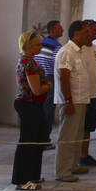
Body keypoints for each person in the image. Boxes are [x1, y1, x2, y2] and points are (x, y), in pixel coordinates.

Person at [12, 30, 52, 190]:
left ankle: (33, 175)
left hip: (34, 104)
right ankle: (22, 180)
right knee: (28, 142)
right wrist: (48, 85)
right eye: (37, 44)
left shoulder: (30, 60)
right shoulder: (28, 62)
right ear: (28, 46)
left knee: (38, 140)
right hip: (28, 104)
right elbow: (37, 90)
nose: (40, 47)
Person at [54, 20, 92, 182]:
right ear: (76, 34)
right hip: (71, 100)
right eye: (86, 32)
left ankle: (73, 165)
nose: (89, 35)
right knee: (67, 136)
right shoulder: (67, 51)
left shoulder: (80, 52)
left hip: (81, 99)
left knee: (77, 135)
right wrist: (68, 100)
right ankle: (63, 171)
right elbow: (64, 77)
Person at [35, 20, 64, 148]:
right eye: (59, 28)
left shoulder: (41, 43)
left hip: (38, 77)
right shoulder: (57, 46)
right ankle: (44, 140)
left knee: (40, 108)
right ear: (53, 30)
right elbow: (56, 65)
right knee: (48, 109)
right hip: (49, 78)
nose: (62, 30)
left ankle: (38, 137)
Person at [79, 19, 96, 164]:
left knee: (88, 127)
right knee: (78, 127)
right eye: (93, 29)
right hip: (82, 94)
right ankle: (75, 155)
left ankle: (84, 154)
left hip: (94, 92)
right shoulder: (79, 50)